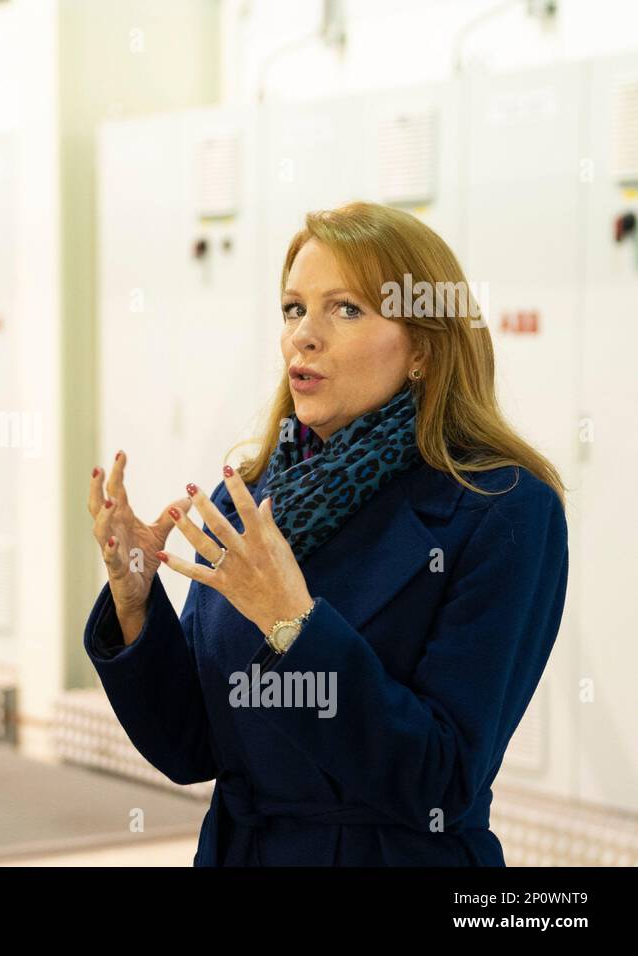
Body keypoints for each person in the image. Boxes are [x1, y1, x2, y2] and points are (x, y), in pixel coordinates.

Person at [84, 201, 568, 866]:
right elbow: (191, 749)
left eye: (345, 309)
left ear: (424, 348)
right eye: (292, 309)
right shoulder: (248, 499)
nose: (303, 337)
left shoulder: (502, 510)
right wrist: (135, 604)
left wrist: (294, 626)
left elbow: (443, 776)